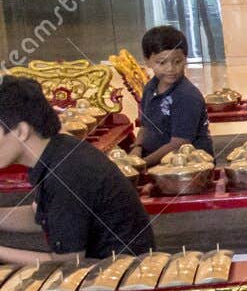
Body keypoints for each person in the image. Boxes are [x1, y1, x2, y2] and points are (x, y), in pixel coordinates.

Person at [0, 76, 154, 265]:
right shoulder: (59, 149)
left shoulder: (66, 172)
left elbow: (67, 263)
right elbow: (40, 216)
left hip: (120, 278)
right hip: (102, 268)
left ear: (21, 131)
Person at [137, 25, 213, 165]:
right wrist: (137, 148)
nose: (171, 68)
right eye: (162, 62)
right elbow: (145, 126)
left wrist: (143, 164)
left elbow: (179, 143)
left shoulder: (187, 96)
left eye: (177, 61)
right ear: (147, 61)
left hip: (187, 164)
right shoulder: (150, 88)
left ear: (185, 59)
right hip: (155, 160)